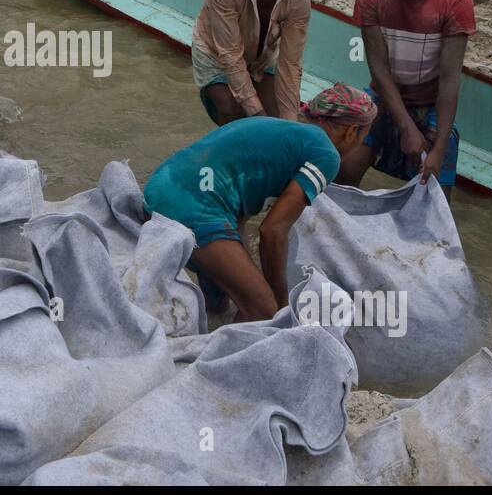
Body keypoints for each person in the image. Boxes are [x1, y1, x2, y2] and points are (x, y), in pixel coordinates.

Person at [143, 84, 376, 321]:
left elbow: (239, 212)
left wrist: (246, 267)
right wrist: (281, 300)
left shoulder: (285, 131)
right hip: (193, 204)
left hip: (162, 186)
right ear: (351, 132)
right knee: (264, 309)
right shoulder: (326, 154)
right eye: (364, 135)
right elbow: (273, 231)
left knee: (220, 305)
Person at [335, 0, 474, 199]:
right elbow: (378, 68)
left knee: (434, 195)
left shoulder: (456, 0)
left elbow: (449, 82)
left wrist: (437, 148)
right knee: (342, 175)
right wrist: (406, 126)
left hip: (431, 102)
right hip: (383, 94)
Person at [191, 0, 321, 126]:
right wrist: (256, 114)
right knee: (232, 112)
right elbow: (230, 55)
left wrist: (289, 125)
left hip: (265, 56)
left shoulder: (299, 1)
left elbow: (290, 64)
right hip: (215, 52)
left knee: (276, 120)